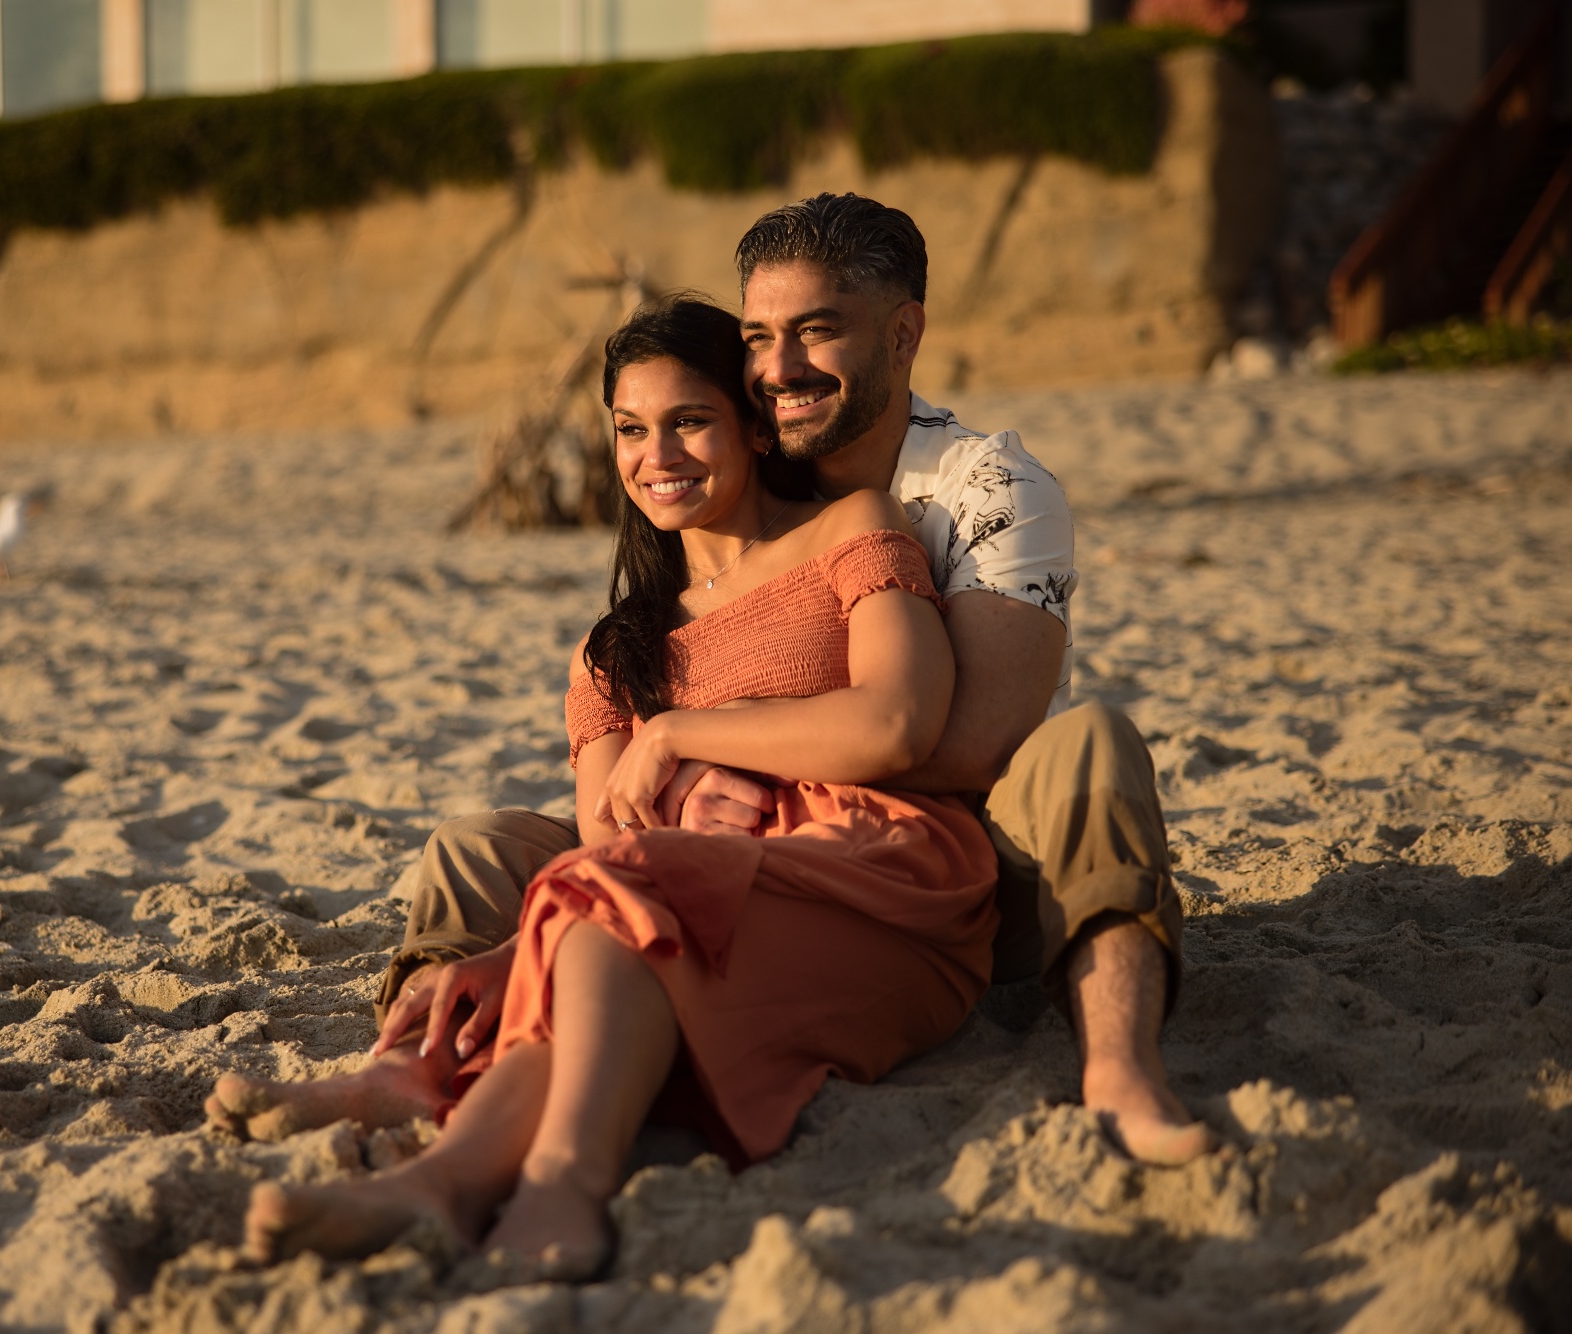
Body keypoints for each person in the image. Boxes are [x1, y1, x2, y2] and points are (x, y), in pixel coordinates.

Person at [207, 193, 1213, 1168]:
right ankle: (409, 1059)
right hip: (720, 841)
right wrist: (680, 803)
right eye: (758, 336)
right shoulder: (687, 572)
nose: (778, 368)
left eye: (816, 331)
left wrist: (700, 752)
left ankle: (1119, 1066)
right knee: (480, 846)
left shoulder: (980, 490)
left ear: (901, 335)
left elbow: (957, 745)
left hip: (944, 851)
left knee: (1091, 742)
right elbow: (612, 815)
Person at [239, 295, 999, 1275]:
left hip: (881, 878)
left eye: (688, 420)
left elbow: (899, 721)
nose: (658, 455)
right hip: (698, 901)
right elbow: (603, 854)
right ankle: (442, 1173)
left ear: (753, 424)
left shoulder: (848, 530)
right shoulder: (613, 657)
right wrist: (524, 949)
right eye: (630, 431)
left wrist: (687, 732)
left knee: (623, 898)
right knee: (602, 911)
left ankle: (556, 1182)